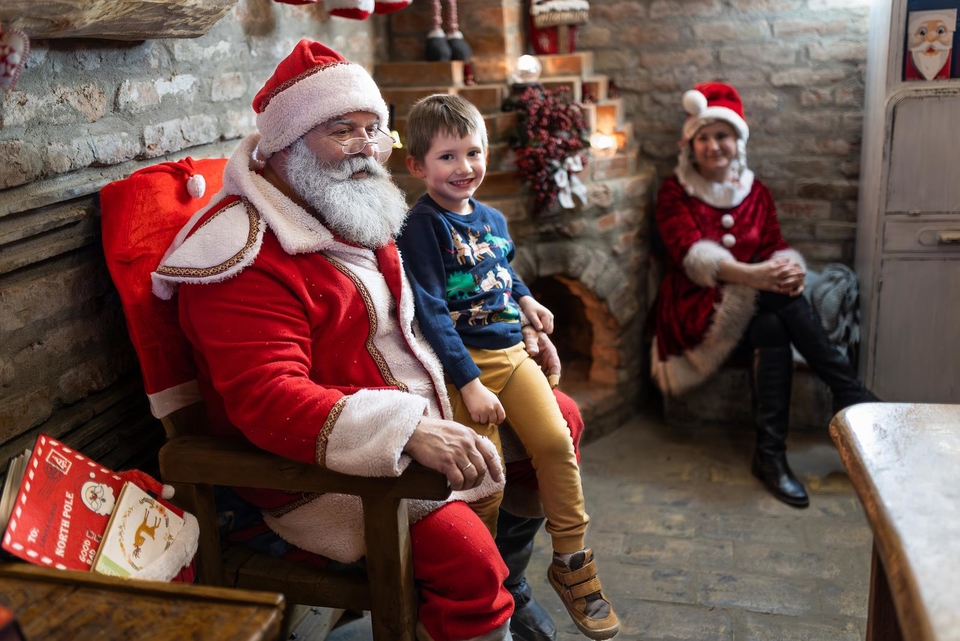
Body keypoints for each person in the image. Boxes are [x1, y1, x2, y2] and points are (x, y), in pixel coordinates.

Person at [150, 39, 576, 641]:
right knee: (464, 552)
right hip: (324, 455)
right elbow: (267, 399)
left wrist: (514, 333)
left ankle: (512, 584)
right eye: (342, 131)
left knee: (562, 419)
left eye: (375, 131)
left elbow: (417, 313)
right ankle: (483, 608)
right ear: (286, 144)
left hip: (418, 392)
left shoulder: (345, 206)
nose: (365, 149)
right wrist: (407, 429)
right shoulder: (239, 255)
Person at [395, 94, 619, 640]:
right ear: (417, 166)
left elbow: (503, 271)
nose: (464, 168)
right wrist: (469, 384)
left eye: (473, 153)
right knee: (483, 481)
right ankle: (488, 588)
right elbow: (429, 308)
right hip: (459, 365)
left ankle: (572, 563)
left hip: (512, 357)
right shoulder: (421, 226)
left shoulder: (492, 217)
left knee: (554, 443)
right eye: (447, 157)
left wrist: (527, 302)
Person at [649, 82, 879, 509]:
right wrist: (757, 275)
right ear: (691, 145)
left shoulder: (755, 190)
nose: (714, 145)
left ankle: (770, 455)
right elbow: (688, 257)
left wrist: (787, 267)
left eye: (723, 135)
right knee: (778, 304)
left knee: (774, 322)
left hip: (758, 303)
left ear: (738, 140)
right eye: (704, 137)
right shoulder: (675, 191)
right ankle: (847, 389)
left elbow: (774, 243)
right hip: (696, 304)